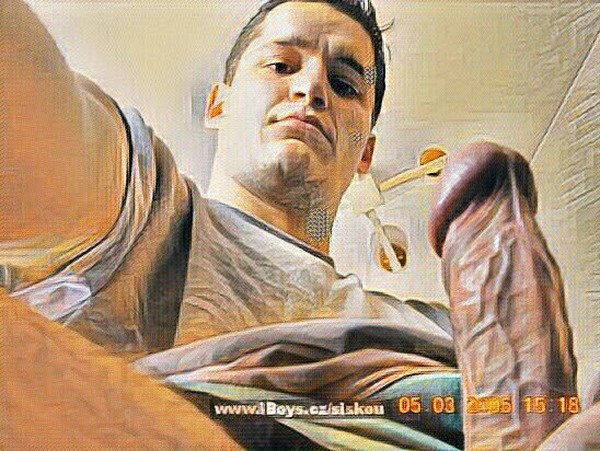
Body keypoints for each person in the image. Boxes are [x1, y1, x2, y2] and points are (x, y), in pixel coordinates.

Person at [1, 0, 587, 449]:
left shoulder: (440, 329)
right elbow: (34, 113)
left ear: (365, 153)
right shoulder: (141, 210)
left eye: (345, 85)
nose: (311, 89)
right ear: (218, 104)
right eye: (281, 65)